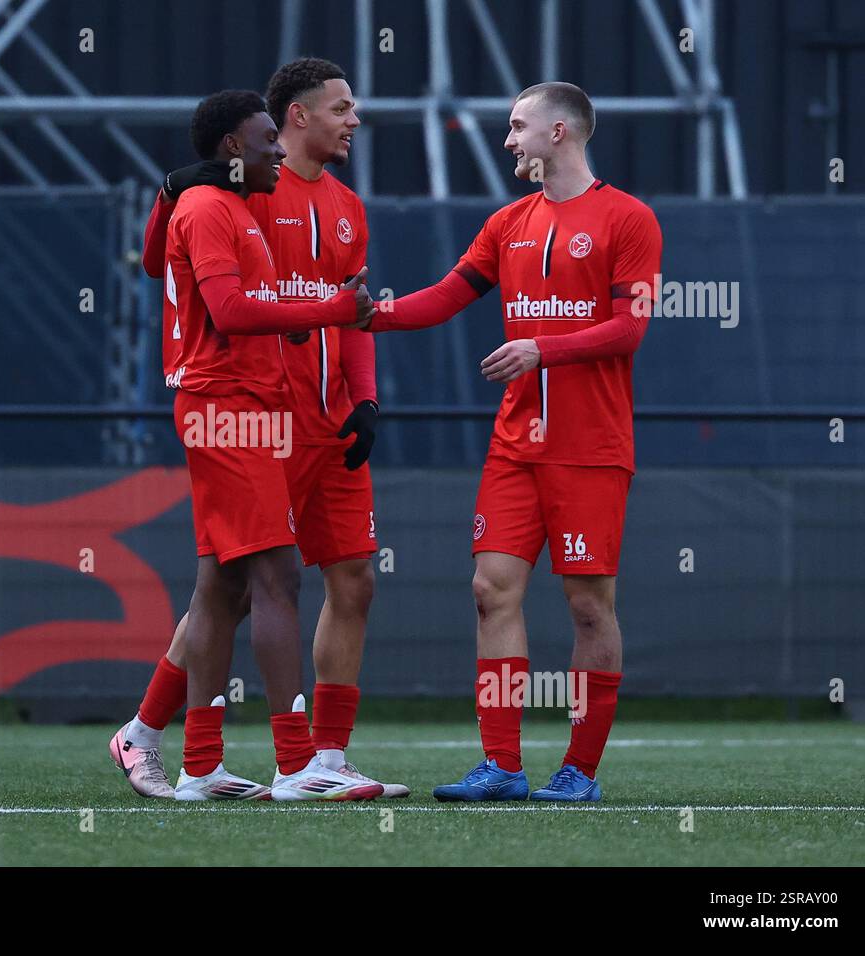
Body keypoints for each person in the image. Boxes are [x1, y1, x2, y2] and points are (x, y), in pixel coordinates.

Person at [111, 59, 408, 800]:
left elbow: (353, 309)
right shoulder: (224, 200)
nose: (354, 120)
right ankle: (280, 758)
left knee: (279, 582)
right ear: (285, 125)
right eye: (341, 106)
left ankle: (231, 761)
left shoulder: (301, 201)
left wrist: (363, 399)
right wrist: (178, 185)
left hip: (305, 414)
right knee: (262, 583)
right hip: (235, 407)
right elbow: (228, 303)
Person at [367, 82, 662, 802]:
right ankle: (501, 765)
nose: (508, 139)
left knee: (590, 608)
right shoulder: (507, 224)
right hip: (514, 446)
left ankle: (580, 771)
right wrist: (355, 314)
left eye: (517, 126)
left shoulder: (631, 219)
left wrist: (542, 350)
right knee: (489, 590)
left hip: (591, 447)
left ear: (560, 132)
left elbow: (631, 328)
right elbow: (442, 297)